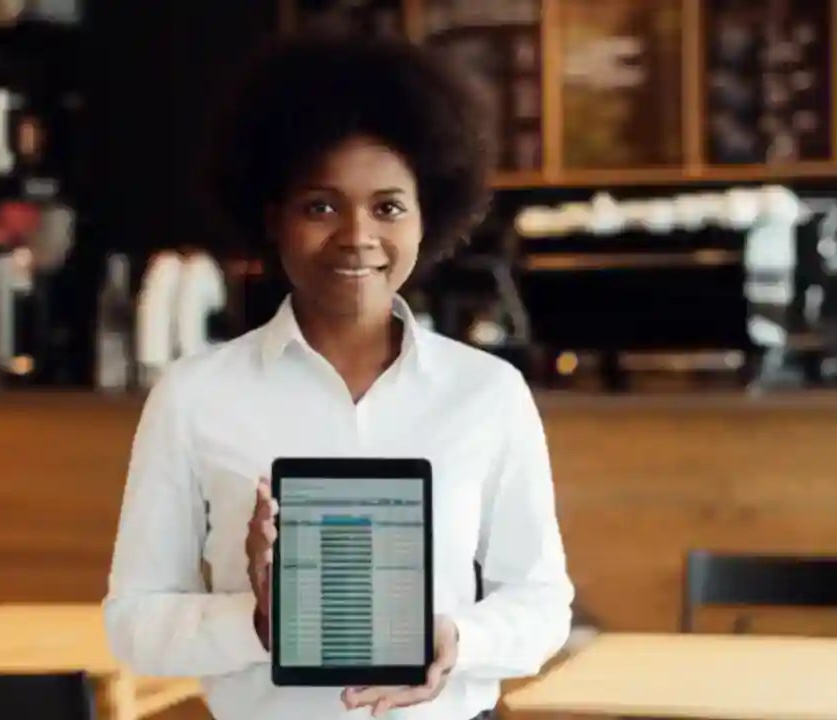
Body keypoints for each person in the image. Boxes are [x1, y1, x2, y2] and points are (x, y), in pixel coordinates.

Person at [103, 36, 574, 720]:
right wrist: (261, 622)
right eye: (321, 206)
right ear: (274, 219)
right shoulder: (194, 397)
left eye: (388, 207)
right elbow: (134, 622)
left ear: (427, 217)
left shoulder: (488, 392)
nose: (358, 235)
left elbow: (540, 604)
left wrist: (456, 640)